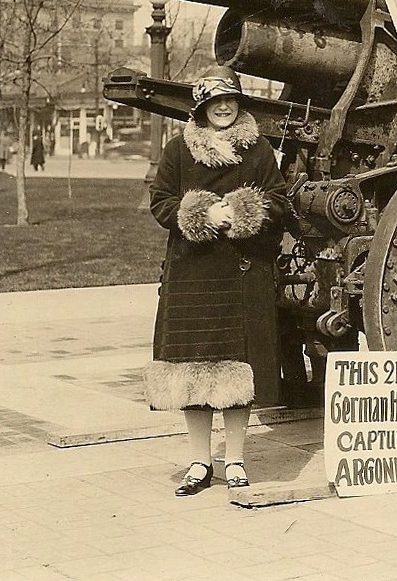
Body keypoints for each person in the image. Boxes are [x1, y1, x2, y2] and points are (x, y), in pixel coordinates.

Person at [144, 65, 288, 495]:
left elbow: (279, 201)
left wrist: (242, 211)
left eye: (230, 100)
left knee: (238, 375)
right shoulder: (178, 151)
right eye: (213, 102)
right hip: (192, 275)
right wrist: (203, 215)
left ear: (239, 104)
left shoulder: (259, 151)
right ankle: (199, 463)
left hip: (242, 275)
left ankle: (237, 460)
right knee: (193, 374)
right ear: (201, 109)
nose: (223, 108)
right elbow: (161, 203)